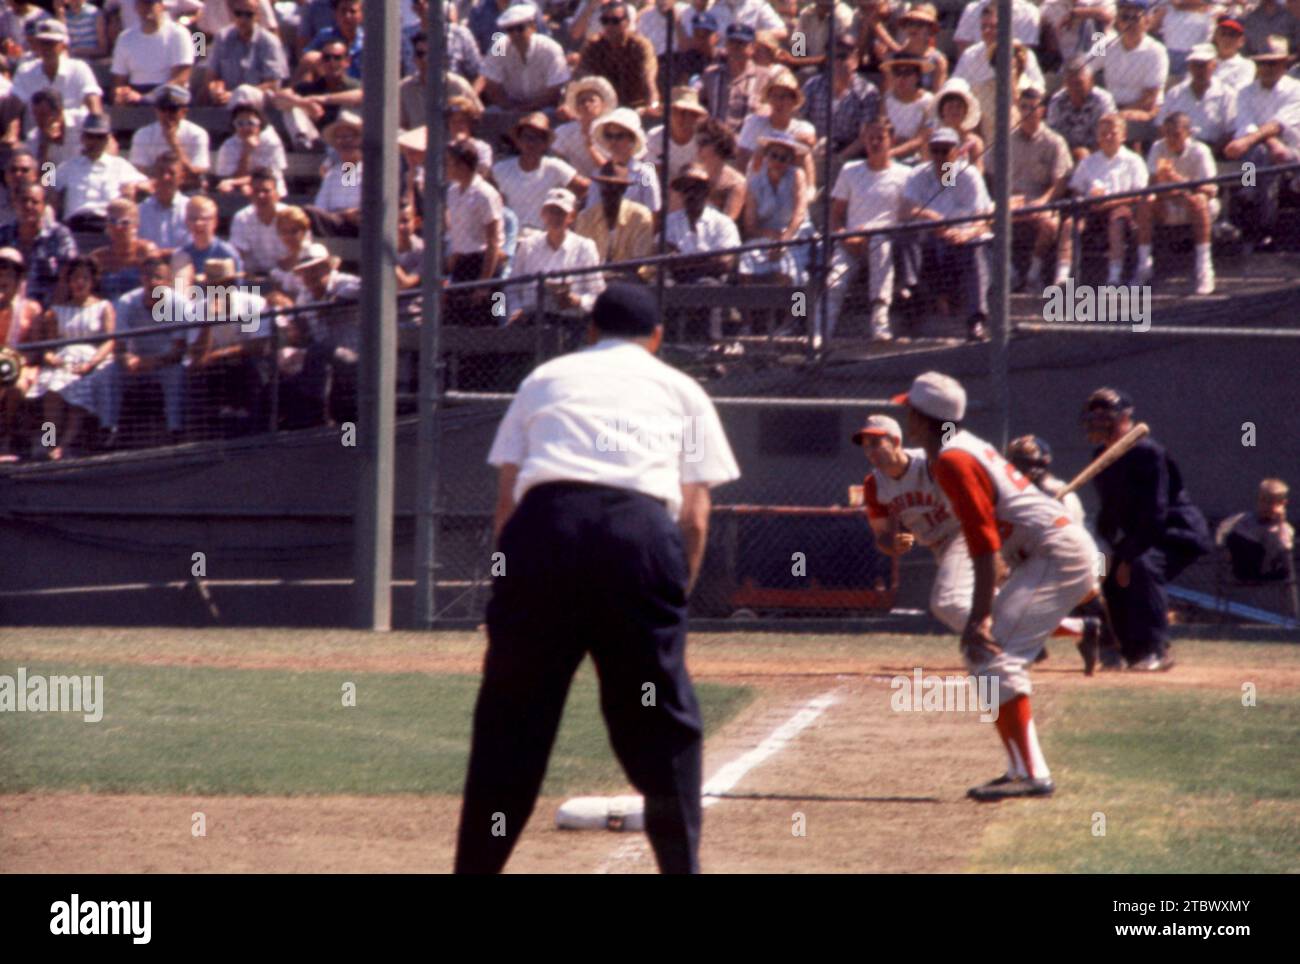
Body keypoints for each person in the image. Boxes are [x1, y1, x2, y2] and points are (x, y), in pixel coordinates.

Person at [455, 282, 741, 875]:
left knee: (512, 723)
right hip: (637, 539)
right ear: (657, 338)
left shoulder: (545, 379)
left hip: (545, 533)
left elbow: (507, 504)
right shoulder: (682, 389)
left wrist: (509, 587)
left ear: (589, 332)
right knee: (662, 724)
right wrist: (673, 595)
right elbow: (694, 515)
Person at [898, 371, 1101, 799]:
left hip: (1055, 554)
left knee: (994, 654)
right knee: (985, 657)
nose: (906, 418)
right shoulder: (960, 448)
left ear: (922, 418)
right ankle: (1020, 769)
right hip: (1043, 553)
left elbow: (983, 542)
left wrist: (979, 618)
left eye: (910, 411)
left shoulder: (953, 459)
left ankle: (1033, 775)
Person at [1082, 386, 1211, 671]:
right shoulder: (1100, 456)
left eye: (1105, 415)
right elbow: (1110, 509)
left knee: (1141, 567)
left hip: (1175, 532)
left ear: (1125, 418)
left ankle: (1157, 650)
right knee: (1108, 573)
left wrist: (1128, 553)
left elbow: (1156, 511)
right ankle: (1127, 651)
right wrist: (1102, 548)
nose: (1098, 421)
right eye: (1094, 415)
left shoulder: (1147, 452)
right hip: (1140, 534)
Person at [855, 412, 973, 635]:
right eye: (866, 445)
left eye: (876, 443)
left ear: (895, 441)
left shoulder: (930, 463)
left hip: (964, 534)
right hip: (939, 547)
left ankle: (997, 643)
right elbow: (881, 536)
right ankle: (1017, 634)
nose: (870, 451)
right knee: (989, 599)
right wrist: (891, 543)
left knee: (948, 603)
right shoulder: (874, 484)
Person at [819, 117, 908, 343]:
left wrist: (871, 232)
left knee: (880, 245)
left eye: (881, 138)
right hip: (850, 243)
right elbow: (836, 214)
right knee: (834, 280)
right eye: (870, 138)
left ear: (892, 140)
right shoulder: (850, 170)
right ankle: (819, 334)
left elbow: (907, 217)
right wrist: (844, 236)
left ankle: (880, 324)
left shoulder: (905, 174)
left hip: (884, 242)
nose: (875, 143)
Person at [902, 126, 994, 343]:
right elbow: (907, 210)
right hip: (932, 244)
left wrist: (965, 234)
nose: (940, 156)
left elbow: (984, 221)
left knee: (975, 252)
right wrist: (929, 216)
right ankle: (912, 295)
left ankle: (976, 321)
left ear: (957, 151)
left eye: (945, 150)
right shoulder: (918, 174)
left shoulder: (969, 176)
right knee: (908, 236)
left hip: (963, 242)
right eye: (935, 150)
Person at [26, 256, 117, 459]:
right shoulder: (57, 311)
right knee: (51, 391)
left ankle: (64, 445)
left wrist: (91, 364)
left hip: (92, 363)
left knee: (78, 392)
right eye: (75, 278)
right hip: (63, 362)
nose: (79, 282)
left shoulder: (104, 307)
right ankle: (49, 441)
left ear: (92, 281)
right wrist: (51, 358)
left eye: (84, 278)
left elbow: (109, 341)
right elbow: (49, 347)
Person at [1223, 36, 1300, 252]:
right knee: (1260, 156)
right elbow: (1245, 125)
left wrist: (1262, 138)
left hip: (1293, 150)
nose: (1266, 68)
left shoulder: (1296, 90)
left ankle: (1249, 193)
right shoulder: (1245, 93)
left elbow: (1279, 124)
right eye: (1262, 63)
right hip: (1260, 153)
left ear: (1284, 64)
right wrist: (1269, 141)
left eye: (1272, 63)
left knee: (1261, 157)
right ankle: (1264, 224)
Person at [1134, 111, 1217, 293]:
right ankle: (1143, 266)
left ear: (1188, 133)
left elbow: (1210, 189)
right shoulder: (1158, 148)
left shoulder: (1200, 151)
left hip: (1195, 204)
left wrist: (1177, 179)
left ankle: (1204, 268)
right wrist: (1160, 179)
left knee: (1199, 200)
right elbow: (1150, 185)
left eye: (1176, 134)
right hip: (1167, 201)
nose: (1170, 139)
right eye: (1167, 134)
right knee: (1145, 203)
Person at [506, 188, 604, 342]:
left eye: (560, 213)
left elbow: (598, 295)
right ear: (542, 214)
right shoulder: (528, 245)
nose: (555, 217)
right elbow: (511, 287)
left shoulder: (585, 247)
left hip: (570, 324)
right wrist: (516, 310)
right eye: (550, 211)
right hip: (531, 321)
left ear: (571, 217)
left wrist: (578, 301)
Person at [1067, 113, 1148, 286]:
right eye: (1103, 133)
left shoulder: (1134, 161)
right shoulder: (1088, 162)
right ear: (1097, 136)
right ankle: (1063, 276)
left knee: (1116, 220)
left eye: (1113, 133)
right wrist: (1087, 198)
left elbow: (1138, 195)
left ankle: (1114, 277)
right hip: (1091, 209)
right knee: (1069, 223)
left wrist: (1108, 203)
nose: (1108, 137)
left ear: (1123, 135)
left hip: (1123, 209)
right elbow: (1076, 190)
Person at [664, 163, 741, 341]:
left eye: (696, 188)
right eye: (686, 189)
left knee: (706, 286)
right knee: (661, 286)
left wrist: (683, 261)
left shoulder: (722, 222)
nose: (691, 194)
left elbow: (724, 263)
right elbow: (666, 258)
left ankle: (711, 345)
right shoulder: (671, 221)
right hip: (677, 279)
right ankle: (668, 345)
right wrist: (705, 260)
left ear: (706, 192)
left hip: (713, 280)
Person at [1009, 86, 1073, 290]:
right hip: (1010, 201)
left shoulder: (1054, 142)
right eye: (1023, 107)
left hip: (1039, 200)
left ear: (1042, 111)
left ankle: (1033, 274)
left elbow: (1060, 181)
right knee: (983, 220)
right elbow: (991, 176)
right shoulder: (1005, 140)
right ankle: (1008, 272)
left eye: (1032, 107)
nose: (1027, 112)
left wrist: (1042, 202)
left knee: (1050, 224)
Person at [737, 131, 812, 286]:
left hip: (795, 234)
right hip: (765, 236)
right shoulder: (754, 182)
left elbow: (799, 214)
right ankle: (754, 301)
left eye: (784, 158)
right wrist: (772, 237)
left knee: (789, 273)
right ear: (766, 155)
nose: (778, 161)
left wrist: (783, 241)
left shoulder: (797, 176)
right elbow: (750, 226)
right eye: (774, 155)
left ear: (791, 160)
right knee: (747, 267)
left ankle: (798, 303)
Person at [55, 113, 150, 232]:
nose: (95, 142)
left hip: (106, 227)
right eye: (90, 136)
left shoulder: (119, 165)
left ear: (107, 139)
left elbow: (149, 185)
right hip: (75, 226)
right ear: (82, 138)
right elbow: (46, 184)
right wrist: (45, 151)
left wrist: (134, 186)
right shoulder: (68, 166)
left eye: (100, 137)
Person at [1093, 0, 1168, 130]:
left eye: (1135, 18)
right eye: (1125, 17)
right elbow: (1084, 69)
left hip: (1141, 110)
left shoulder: (1157, 51)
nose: (1129, 23)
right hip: (1110, 108)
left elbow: (1149, 99)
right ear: (1117, 21)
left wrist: (1116, 115)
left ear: (1147, 21)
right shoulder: (1104, 43)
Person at [0, 182, 78, 308]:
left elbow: (69, 273)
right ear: (15, 203)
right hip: (7, 308)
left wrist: (52, 310)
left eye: (34, 202)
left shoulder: (59, 235)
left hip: (49, 308)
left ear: (44, 206)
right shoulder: (3, 234)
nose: (28, 206)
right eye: (24, 201)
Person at [481, 3, 569, 110]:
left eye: (520, 28)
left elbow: (554, 89)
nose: (515, 34)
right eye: (510, 29)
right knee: (492, 111)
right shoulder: (499, 47)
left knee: (550, 111)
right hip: (510, 106)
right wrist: (509, 107)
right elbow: (492, 84)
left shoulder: (550, 49)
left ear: (533, 27)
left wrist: (529, 108)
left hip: (543, 107)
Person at [204, 0, 289, 107]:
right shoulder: (222, 36)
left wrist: (235, 96)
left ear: (257, 16)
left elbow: (273, 84)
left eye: (249, 15)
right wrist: (215, 89)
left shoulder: (269, 42)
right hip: (224, 100)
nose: (243, 19)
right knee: (200, 79)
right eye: (238, 13)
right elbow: (199, 33)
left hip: (258, 104)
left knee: (243, 91)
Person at [577, 1, 659, 112]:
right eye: (605, 21)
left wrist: (653, 105)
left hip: (636, 108)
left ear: (627, 22)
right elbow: (580, 77)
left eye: (615, 21)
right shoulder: (593, 46)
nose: (609, 26)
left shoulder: (640, 46)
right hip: (603, 109)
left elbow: (649, 80)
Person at [11, 17, 103, 116]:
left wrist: (97, 123)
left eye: (51, 43)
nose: (46, 48)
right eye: (42, 43)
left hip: (71, 126)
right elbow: (13, 110)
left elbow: (94, 105)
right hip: (34, 126)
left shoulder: (79, 69)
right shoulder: (25, 71)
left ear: (64, 45)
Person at [1156, 43, 1236, 154]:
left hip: (1214, 150)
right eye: (1195, 64)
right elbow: (1161, 125)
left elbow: (1231, 130)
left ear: (1214, 65)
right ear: (1189, 66)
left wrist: (1212, 152)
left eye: (1203, 65)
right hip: (1177, 149)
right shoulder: (1175, 93)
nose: (1199, 70)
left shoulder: (1227, 94)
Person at [110, 0, 196, 102]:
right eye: (142, 3)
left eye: (150, 3)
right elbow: (119, 79)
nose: (146, 8)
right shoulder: (125, 38)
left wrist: (145, 98)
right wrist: (122, 93)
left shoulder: (179, 34)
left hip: (169, 98)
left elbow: (180, 79)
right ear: (136, 7)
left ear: (162, 6)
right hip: (135, 95)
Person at [0, 245, 41, 459]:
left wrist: (14, 361)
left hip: (23, 365)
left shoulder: (31, 309)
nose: (3, 279)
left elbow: (35, 349)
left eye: (9, 274)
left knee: (14, 385)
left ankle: (5, 438)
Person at [573, 159, 655, 265]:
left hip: (629, 274)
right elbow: (579, 260)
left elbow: (640, 262)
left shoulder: (640, 217)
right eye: (605, 186)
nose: (609, 191)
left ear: (623, 189)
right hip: (592, 274)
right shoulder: (586, 218)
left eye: (614, 187)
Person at [128, 84, 211, 188]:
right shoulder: (143, 134)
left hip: (187, 188)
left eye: (172, 109)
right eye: (163, 109)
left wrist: (174, 143)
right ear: (156, 110)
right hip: (154, 187)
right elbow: (140, 170)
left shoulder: (197, 134)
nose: (167, 114)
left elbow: (196, 172)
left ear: (184, 112)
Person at [1222, 479, 1296, 583]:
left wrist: (1279, 523)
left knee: (1272, 536)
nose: (1265, 506)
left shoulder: (1283, 529)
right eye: (1262, 500)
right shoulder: (1247, 519)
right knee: (1234, 536)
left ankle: (1256, 575)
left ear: (1282, 504)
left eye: (1270, 502)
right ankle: (1240, 573)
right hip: (1243, 565)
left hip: (1265, 567)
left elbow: (1285, 549)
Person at [1047, 56, 1118, 162]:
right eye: (1070, 84)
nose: (1075, 88)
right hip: (1065, 153)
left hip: (1098, 153)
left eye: (1079, 83)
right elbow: (1052, 136)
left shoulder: (1103, 100)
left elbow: (1109, 133)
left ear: (1091, 81)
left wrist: (1086, 155)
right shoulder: (1057, 101)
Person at [90, 198, 160, 302]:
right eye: (112, 221)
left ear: (136, 225)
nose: (118, 227)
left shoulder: (146, 251)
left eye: (125, 222)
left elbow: (156, 288)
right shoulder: (99, 257)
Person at [551, 76, 617, 179]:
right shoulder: (564, 131)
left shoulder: (614, 130)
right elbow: (557, 163)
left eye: (592, 100)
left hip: (609, 182)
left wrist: (590, 147)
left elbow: (613, 172)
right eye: (582, 101)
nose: (587, 104)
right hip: (578, 182)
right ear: (576, 107)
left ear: (602, 104)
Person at [230, 168, 289, 277]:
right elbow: (238, 256)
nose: (261, 196)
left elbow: (298, 254)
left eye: (266, 191)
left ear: (276, 194)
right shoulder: (241, 218)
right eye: (256, 191)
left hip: (285, 277)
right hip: (252, 279)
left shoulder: (290, 217)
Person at [137, 151, 191, 250]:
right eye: (161, 172)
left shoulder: (190, 210)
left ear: (182, 178)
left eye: (171, 173)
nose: (165, 177)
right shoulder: (140, 211)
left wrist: (160, 254)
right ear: (154, 175)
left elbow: (195, 250)